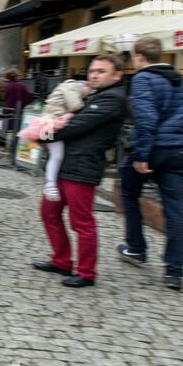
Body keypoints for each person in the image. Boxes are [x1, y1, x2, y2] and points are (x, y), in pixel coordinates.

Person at [32, 53, 127, 288]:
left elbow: (76, 126)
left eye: (101, 71)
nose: (94, 75)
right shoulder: (95, 95)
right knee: (49, 212)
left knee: (81, 222)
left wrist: (42, 133)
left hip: (83, 166)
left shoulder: (113, 98)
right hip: (67, 164)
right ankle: (62, 260)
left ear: (117, 75)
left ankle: (86, 272)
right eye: (92, 70)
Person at [118, 37, 183, 291]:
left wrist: (142, 155)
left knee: (128, 191)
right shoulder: (181, 81)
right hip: (179, 149)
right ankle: (175, 271)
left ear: (139, 56)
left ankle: (136, 247)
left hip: (155, 149)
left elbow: (146, 119)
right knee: (174, 210)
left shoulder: (142, 79)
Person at [18, 78, 91, 202]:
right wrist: (87, 104)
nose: (90, 93)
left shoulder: (66, 86)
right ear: (85, 86)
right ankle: (50, 184)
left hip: (46, 122)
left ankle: (50, 183)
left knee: (54, 154)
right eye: (90, 90)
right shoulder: (72, 87)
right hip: (51, 123)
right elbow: (75, 105)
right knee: (56, 155)